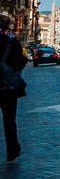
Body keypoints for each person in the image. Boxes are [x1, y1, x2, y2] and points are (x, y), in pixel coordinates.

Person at [0, 16, 27, 161]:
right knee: (9, 120)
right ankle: (12, 150)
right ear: (7, 27)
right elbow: (21, 62)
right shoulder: (12, 43)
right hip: (7, 87)